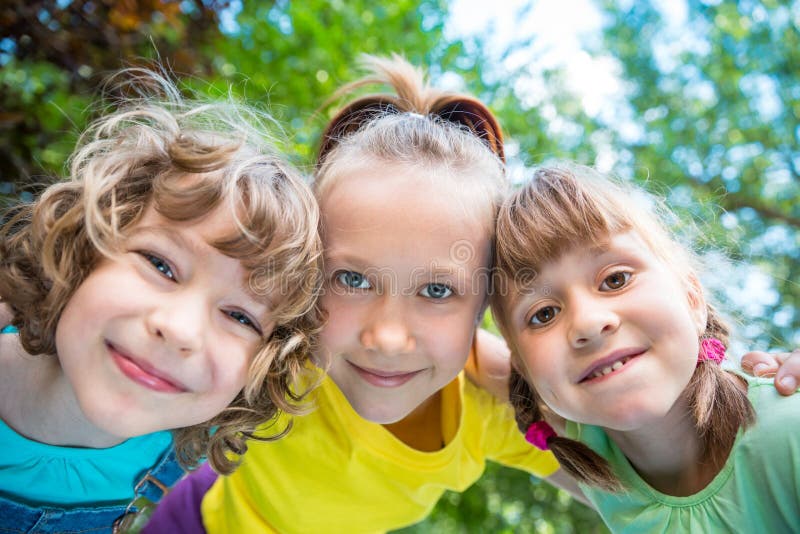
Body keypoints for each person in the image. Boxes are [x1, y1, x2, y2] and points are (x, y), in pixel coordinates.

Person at [144, 55, 574, 533]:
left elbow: (644, 490)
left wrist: (525, 376)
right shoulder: (284, 346)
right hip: (198, 519)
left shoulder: (490, 416)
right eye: (352, 279)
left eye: (437, 289)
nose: (387, 339)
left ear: (485, 305)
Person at [0, 68, 322, 532]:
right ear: (86, 247)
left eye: (239, 316)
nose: (181, 329)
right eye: (161, 265)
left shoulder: (174, 462)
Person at [490, 163, 799, 532]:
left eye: (615, 279)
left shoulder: (787, 434)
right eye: (543, 315)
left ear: (692, 298)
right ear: (523, 368)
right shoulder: (596, 464)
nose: (588, 322)